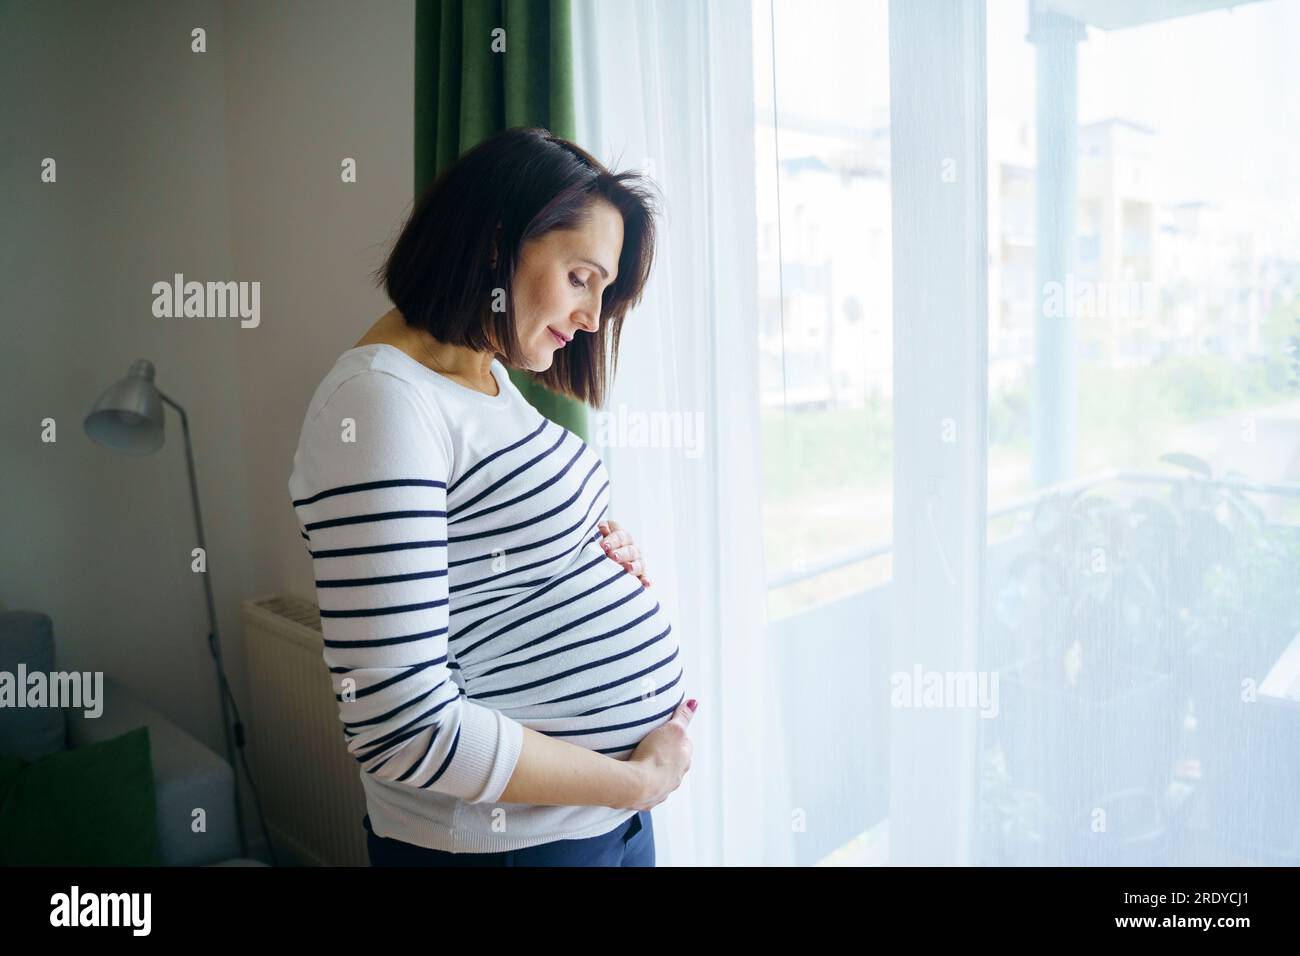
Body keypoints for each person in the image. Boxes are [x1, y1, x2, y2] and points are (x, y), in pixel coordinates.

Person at [288, 127, 696, 867]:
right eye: (582, 278)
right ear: (496, 242)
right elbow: (402, 726)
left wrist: (587, 549)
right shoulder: (379, 401)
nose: (592, 318)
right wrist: (632, 782)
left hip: (592, 826)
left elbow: (492, 566)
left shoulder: (484, 375)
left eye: (605, 293)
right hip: (508, 848)